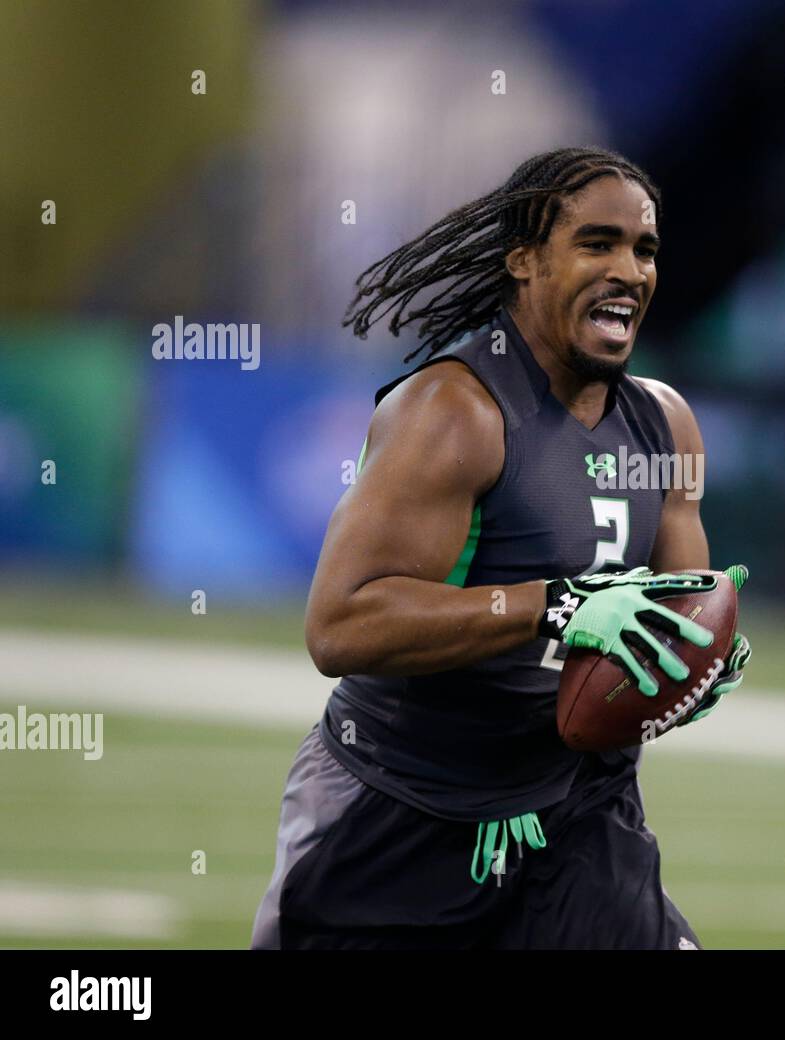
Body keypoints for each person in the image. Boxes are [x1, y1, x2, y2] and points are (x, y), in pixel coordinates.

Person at [251, 146, 751, 949]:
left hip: (576, 816)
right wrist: (553, 608)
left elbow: (673, 613)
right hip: (402, 813)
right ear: (524, 258)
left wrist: (696, 660)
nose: (629, 271)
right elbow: (339, 626)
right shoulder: (454, 411)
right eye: (597, 244)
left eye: (644, 249)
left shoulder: (666, 426)